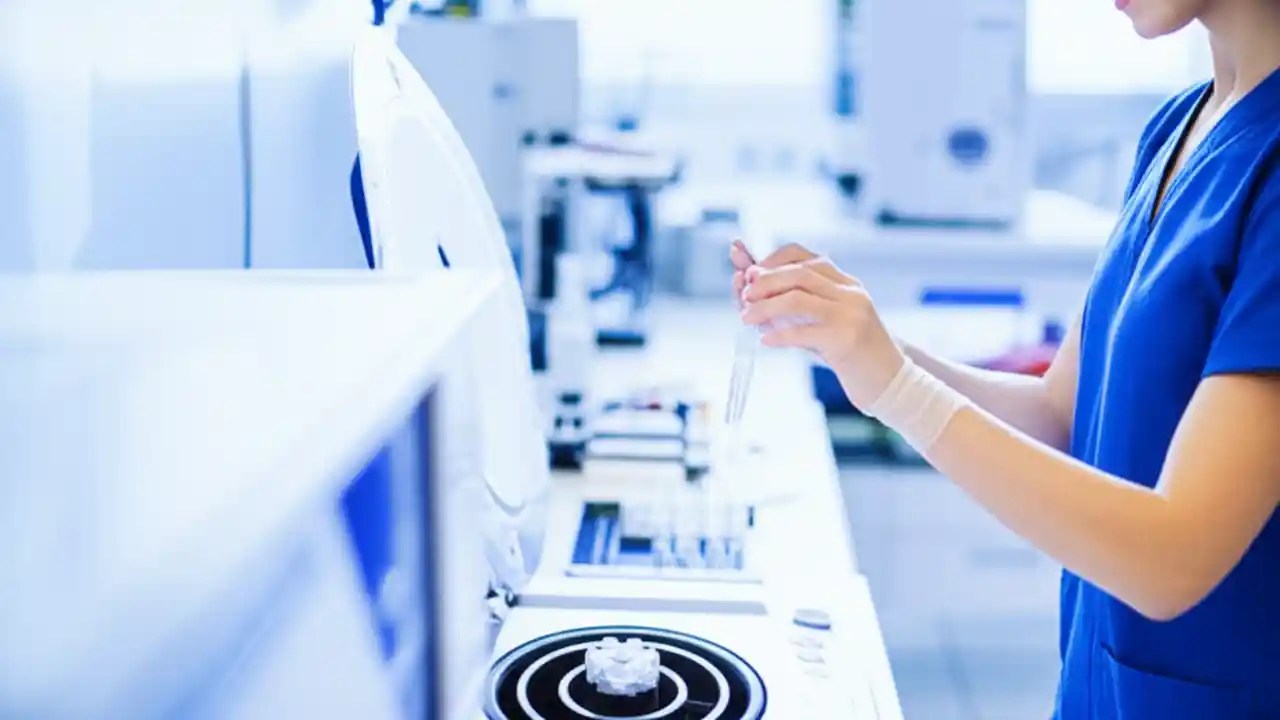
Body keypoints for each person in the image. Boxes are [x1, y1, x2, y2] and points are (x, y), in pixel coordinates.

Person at [731, 1, 1280, 717]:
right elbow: (1061, 413)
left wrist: (898, 388)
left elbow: (1173, 557)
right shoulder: (1179, 127)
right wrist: (858, 343)